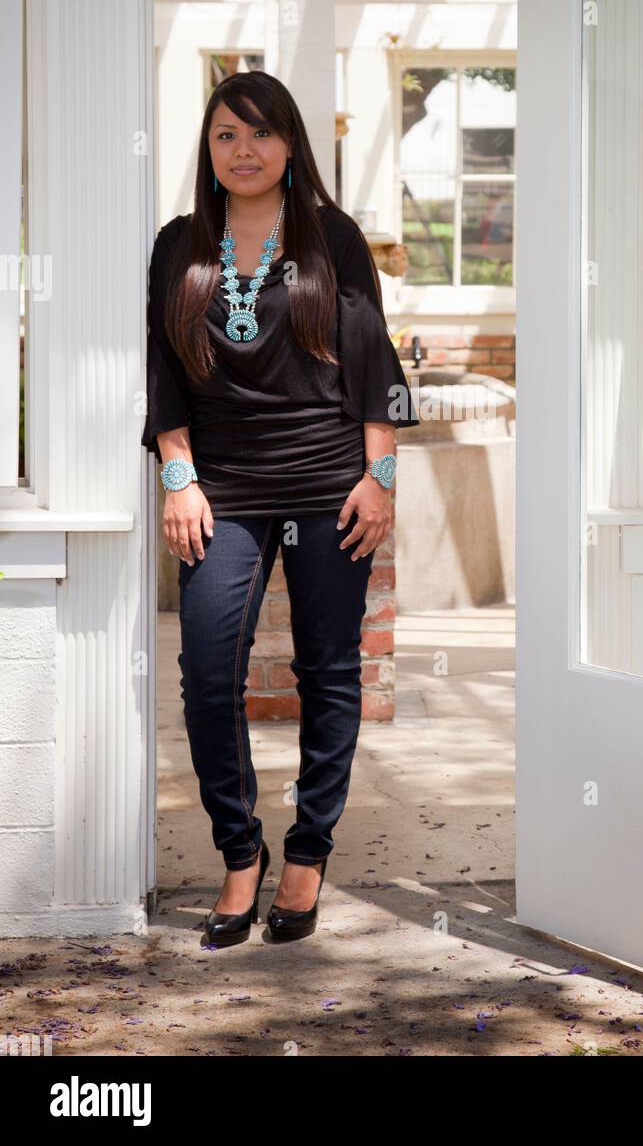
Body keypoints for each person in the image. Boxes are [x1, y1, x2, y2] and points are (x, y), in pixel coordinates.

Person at [141, 70, 419, 945]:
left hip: (332, 478)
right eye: (226, 135)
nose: (244, 150)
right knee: (206, 671)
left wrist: (381, 479)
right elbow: (160, 372)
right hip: (223, 489)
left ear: (292, 144)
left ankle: (308, 852)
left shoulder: (332, 237)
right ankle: (239, 854)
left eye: (260, 133)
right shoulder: (179, 244)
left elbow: (374, 363)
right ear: (209, 150)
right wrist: (178, 478)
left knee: (328, 669)